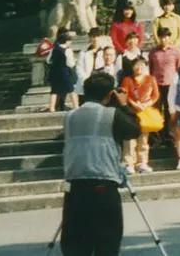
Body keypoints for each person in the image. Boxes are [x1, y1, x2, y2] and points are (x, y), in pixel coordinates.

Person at [60, 71, 142, 256]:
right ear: (109, 94)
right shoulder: (111, 115)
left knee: (75, 245)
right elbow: (134, 130)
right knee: (107, 243)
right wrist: (123, 105)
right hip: (103, 187)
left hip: (75, 187)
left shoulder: (70, 116)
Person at [119, 56, 158, 174]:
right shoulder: (127, 80)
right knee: (130, 140)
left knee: (144, 139)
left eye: (142, 65)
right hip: (131, 113)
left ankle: (142, 163)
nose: (139, 67)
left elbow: (155, 95)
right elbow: (125, 95)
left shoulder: (150, 79)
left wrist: (146, 104)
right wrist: (135, 104)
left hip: (145, 112)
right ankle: (129, 163)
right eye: (136, 65)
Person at [47, 28, 77, 112]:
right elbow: (70, 63)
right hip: (65, 72)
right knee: (71, 90)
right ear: (66, 41)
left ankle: (52, 108)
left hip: (55, 72)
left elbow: (48, 60)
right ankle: (76, 106)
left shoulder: (54, 49)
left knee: (54, 91)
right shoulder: (68, 50)